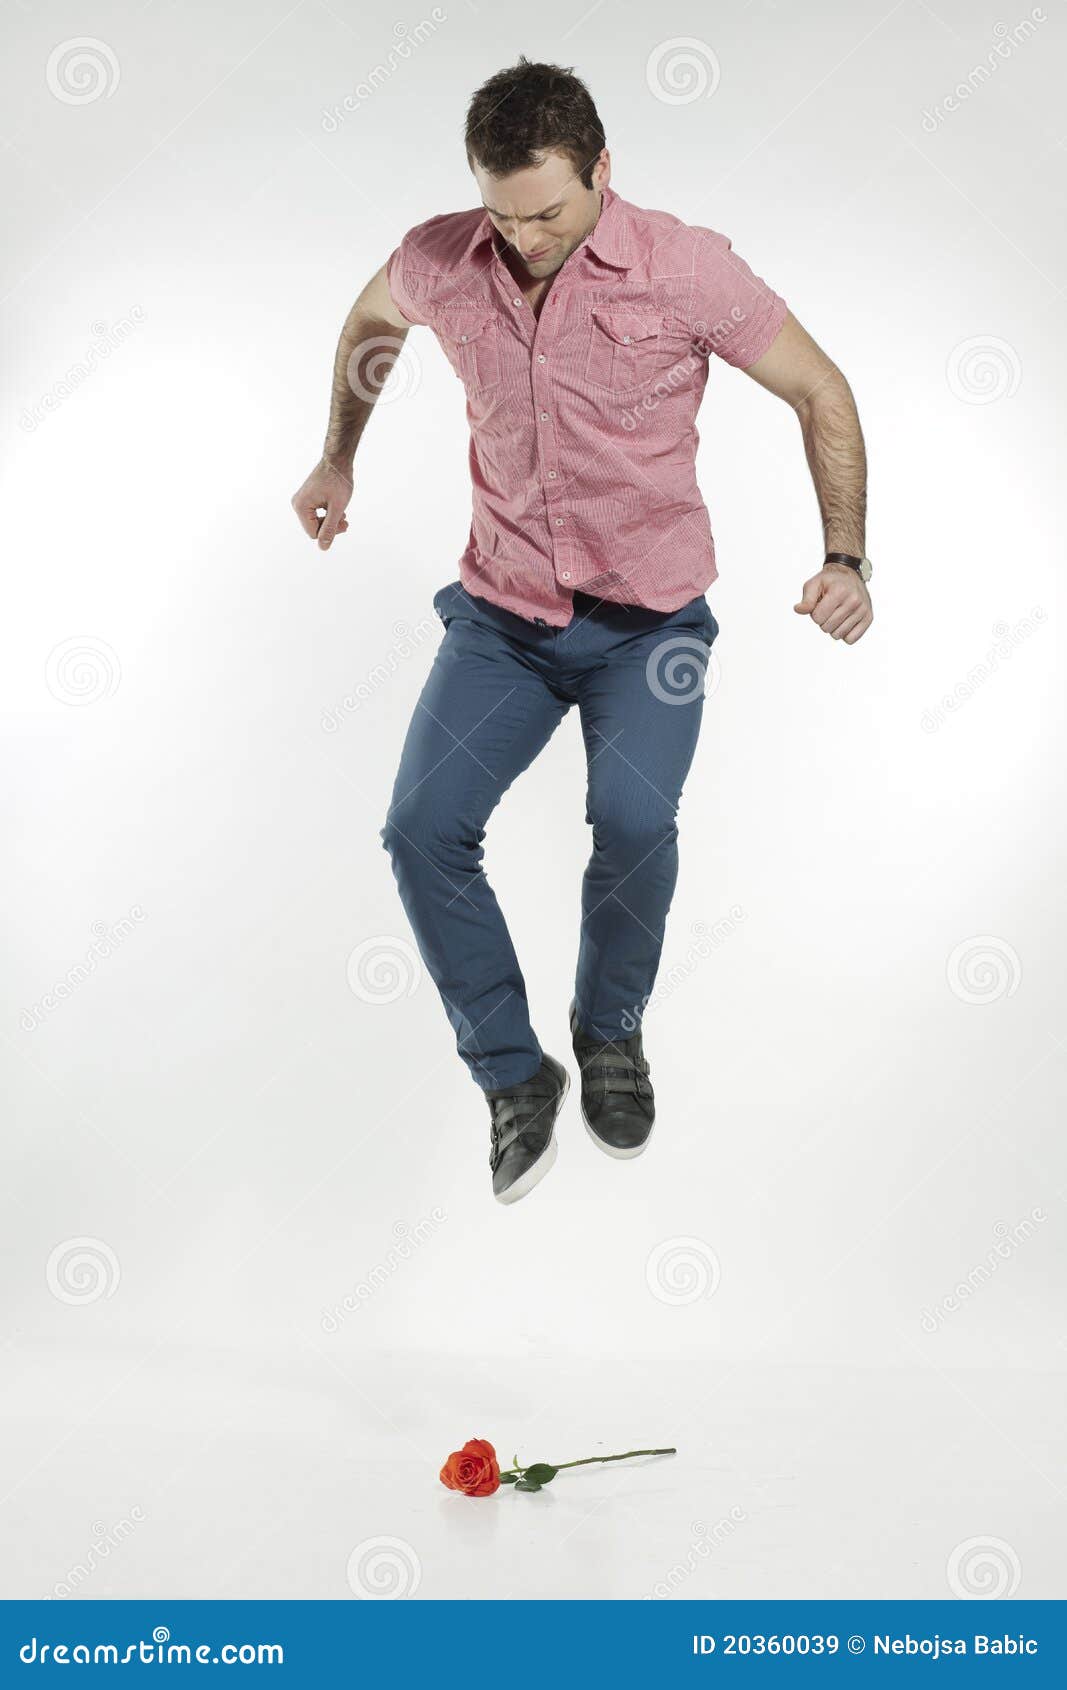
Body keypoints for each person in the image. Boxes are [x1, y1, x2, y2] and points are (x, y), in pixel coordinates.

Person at [291, 57, 872, 1206]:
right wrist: (337, 454)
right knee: (417, 827)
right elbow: (371, 317)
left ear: (601, 169)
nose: (520, 238)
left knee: (633, 819)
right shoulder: (444, 254)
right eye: (501, 214)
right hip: (501, 619)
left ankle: (607, 1030)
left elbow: (821, 390)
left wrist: (843, 558)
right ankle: (514, 1076)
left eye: (546, 212)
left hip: (645, 626)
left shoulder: (684, 268)